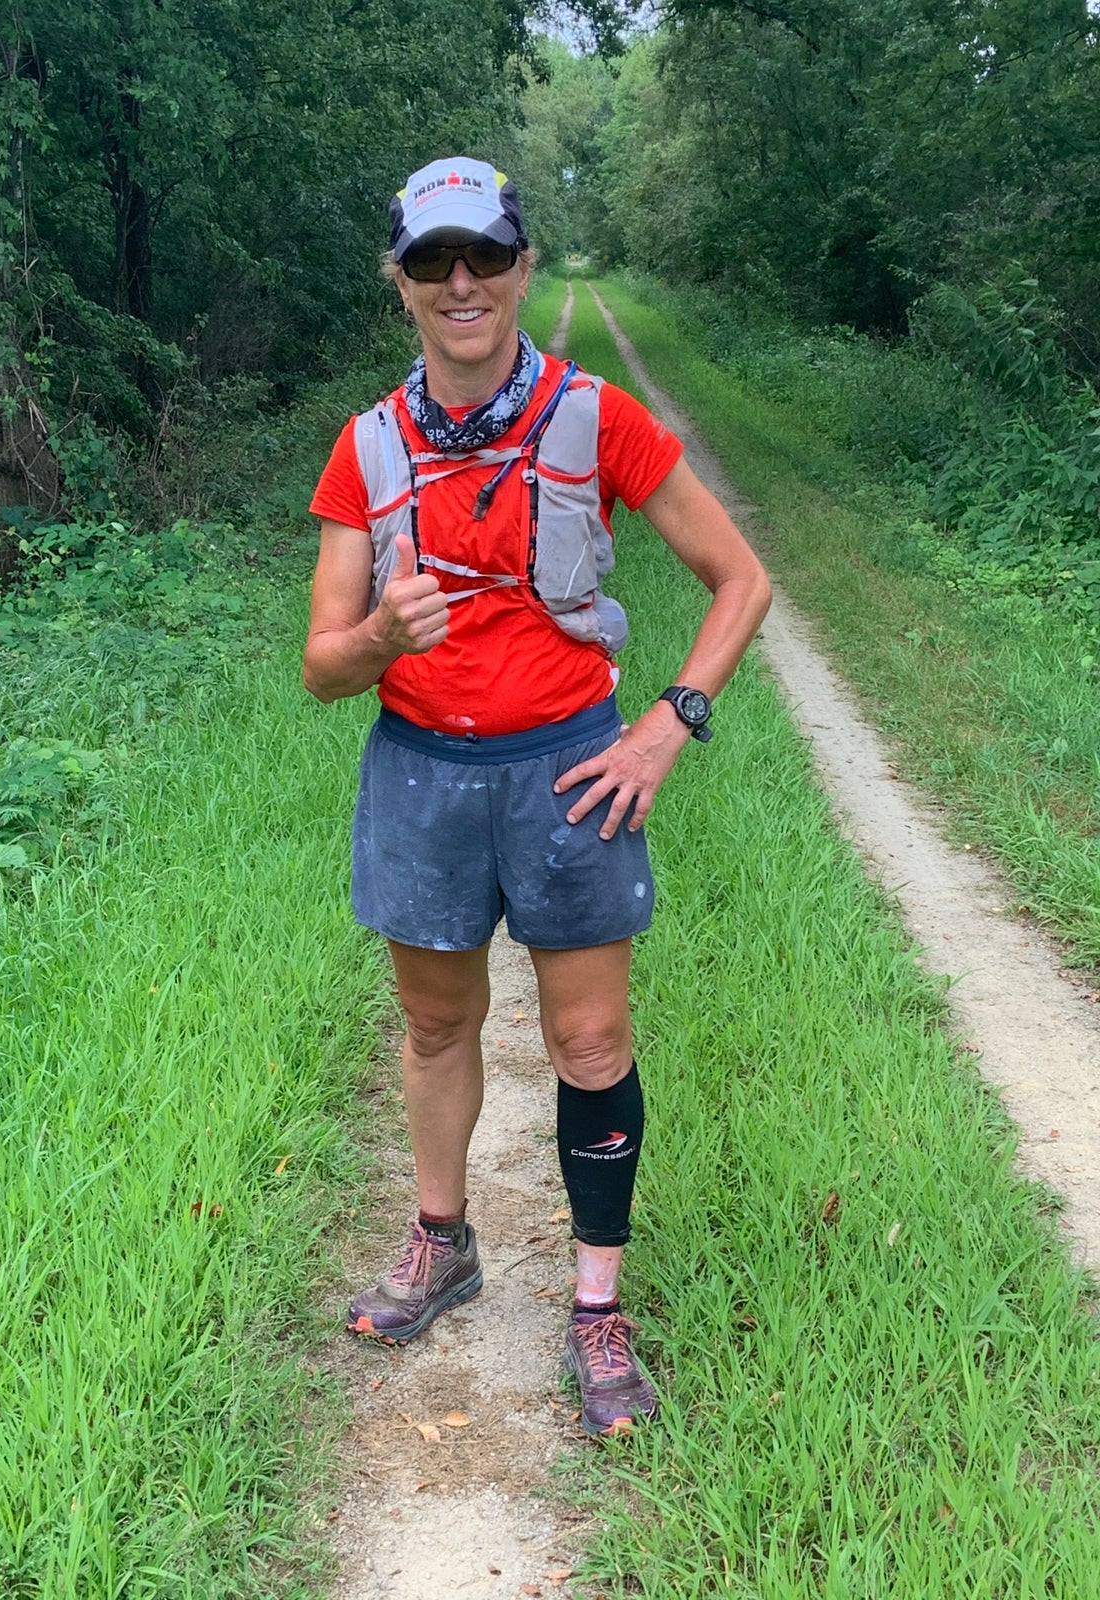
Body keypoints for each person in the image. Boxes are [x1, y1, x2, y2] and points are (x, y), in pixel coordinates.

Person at [303, 156, 771, 1436]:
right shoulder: (366, 448)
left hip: (571, 769)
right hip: (422, 770)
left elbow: (741, 578)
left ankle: (597, 1306)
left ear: (520, 268)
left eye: (486, 256)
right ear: (401, 281)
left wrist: (669, 724)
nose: (462, 282)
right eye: (432, 260)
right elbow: (322, 667)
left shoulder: (594, 417)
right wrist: (381, 636)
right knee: (435, 1023)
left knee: (590, 1042)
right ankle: (442, 1242)